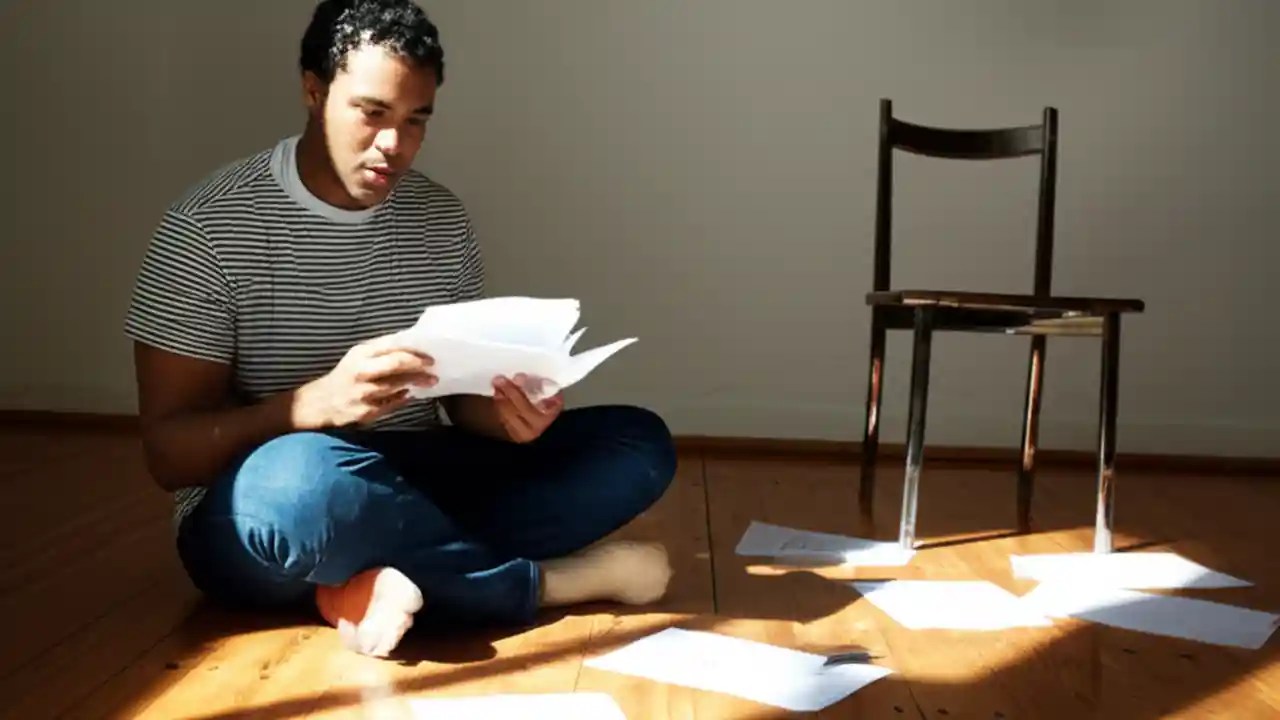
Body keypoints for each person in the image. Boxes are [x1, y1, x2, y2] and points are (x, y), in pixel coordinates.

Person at [122, 0, 676, 658]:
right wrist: (314, 406)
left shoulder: (439, 218)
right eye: (373, 113)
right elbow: (169, 455)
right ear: (313, 89)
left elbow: (458, 405)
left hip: (414, 476)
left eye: (416, 120)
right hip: (275, 495)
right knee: (301, 489)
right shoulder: (209, 230)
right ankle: (545, 582)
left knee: (637, 445)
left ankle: (368, 580)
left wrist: (507, 417)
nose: (396, 146)